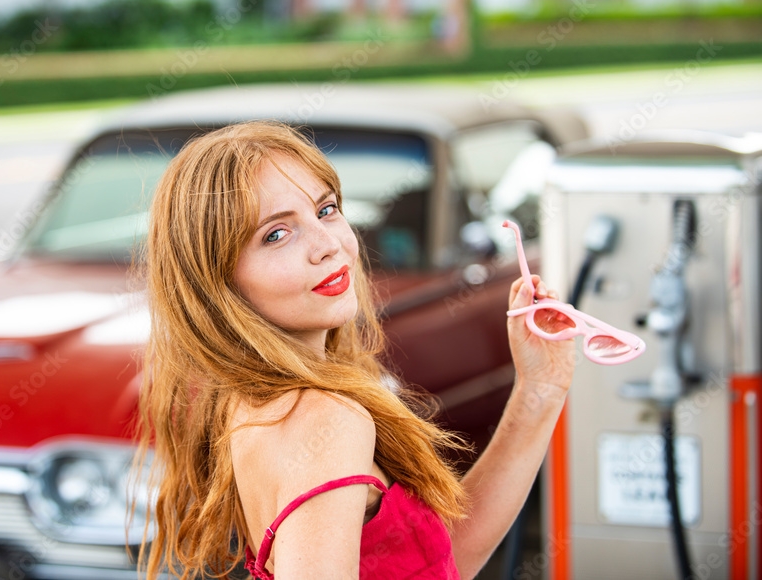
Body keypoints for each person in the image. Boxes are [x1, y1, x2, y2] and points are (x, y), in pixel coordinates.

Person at [134, 121, 574, 579]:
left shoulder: (257, 403)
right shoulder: (324, 419)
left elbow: (439, 561)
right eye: (276, 234)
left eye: (325, 210)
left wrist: (539, 388)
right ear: (218, 282)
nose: (329, 245)